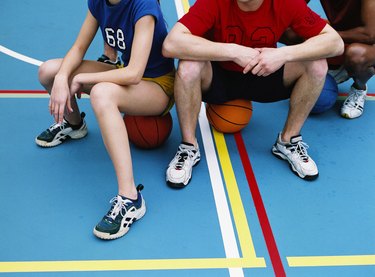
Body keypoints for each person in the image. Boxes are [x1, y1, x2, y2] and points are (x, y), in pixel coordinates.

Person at [162, 0, 343, 187]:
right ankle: (188, 146)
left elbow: (335, 43)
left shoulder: (286, 3)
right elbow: (171, 44)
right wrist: (233, 51)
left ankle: (288, 140)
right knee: (188, 66)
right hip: (219, 76)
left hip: (264, 70)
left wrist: (283, 54)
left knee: (317, 64)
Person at [35, 0, 175, 240]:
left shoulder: (144, 5)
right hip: (124, 71)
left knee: (101, 93)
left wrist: (80, 79)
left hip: (156, 85)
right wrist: (62, 77)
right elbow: (78, 48)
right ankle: (73, 125)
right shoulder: (99, 2)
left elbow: (134, 73)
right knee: (49, 70)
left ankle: (131, 198)